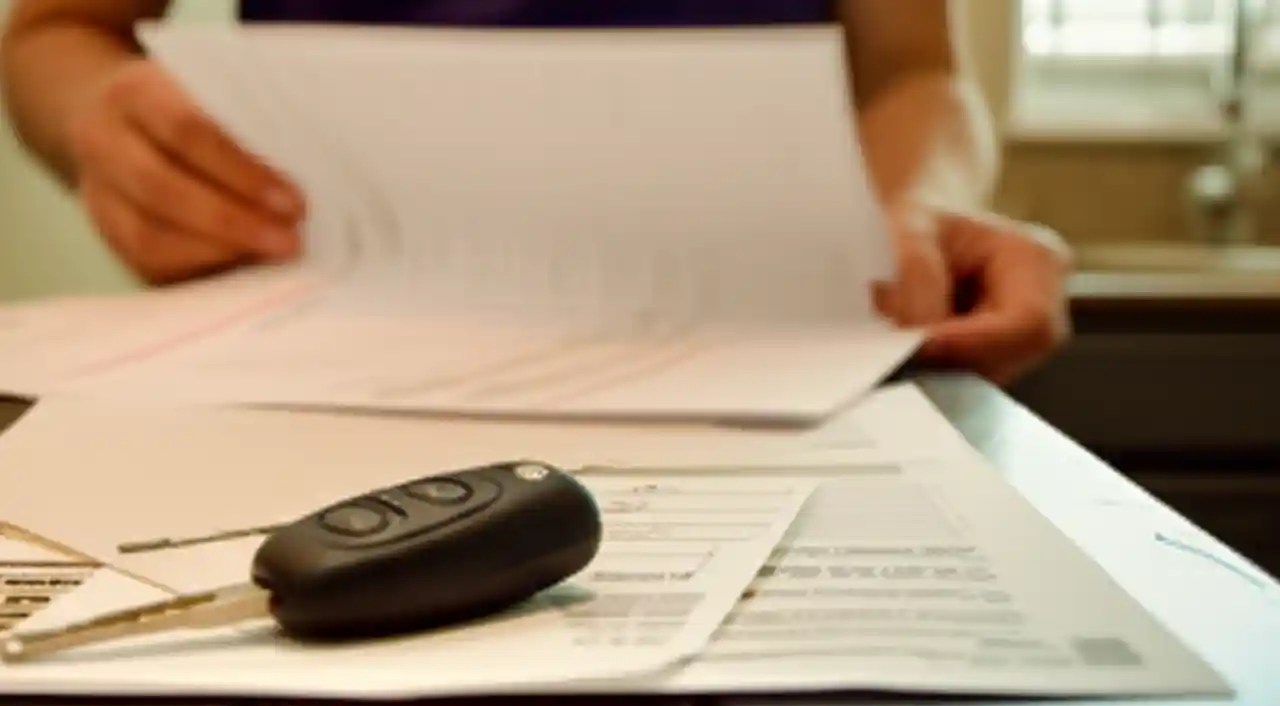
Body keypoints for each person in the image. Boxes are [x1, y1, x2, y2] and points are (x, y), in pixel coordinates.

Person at [0, 1, 1071, 386]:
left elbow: (912, 70)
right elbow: (56, 31)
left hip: (764, 349)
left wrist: (915, 206)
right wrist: (112, 132)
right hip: (320, 340)